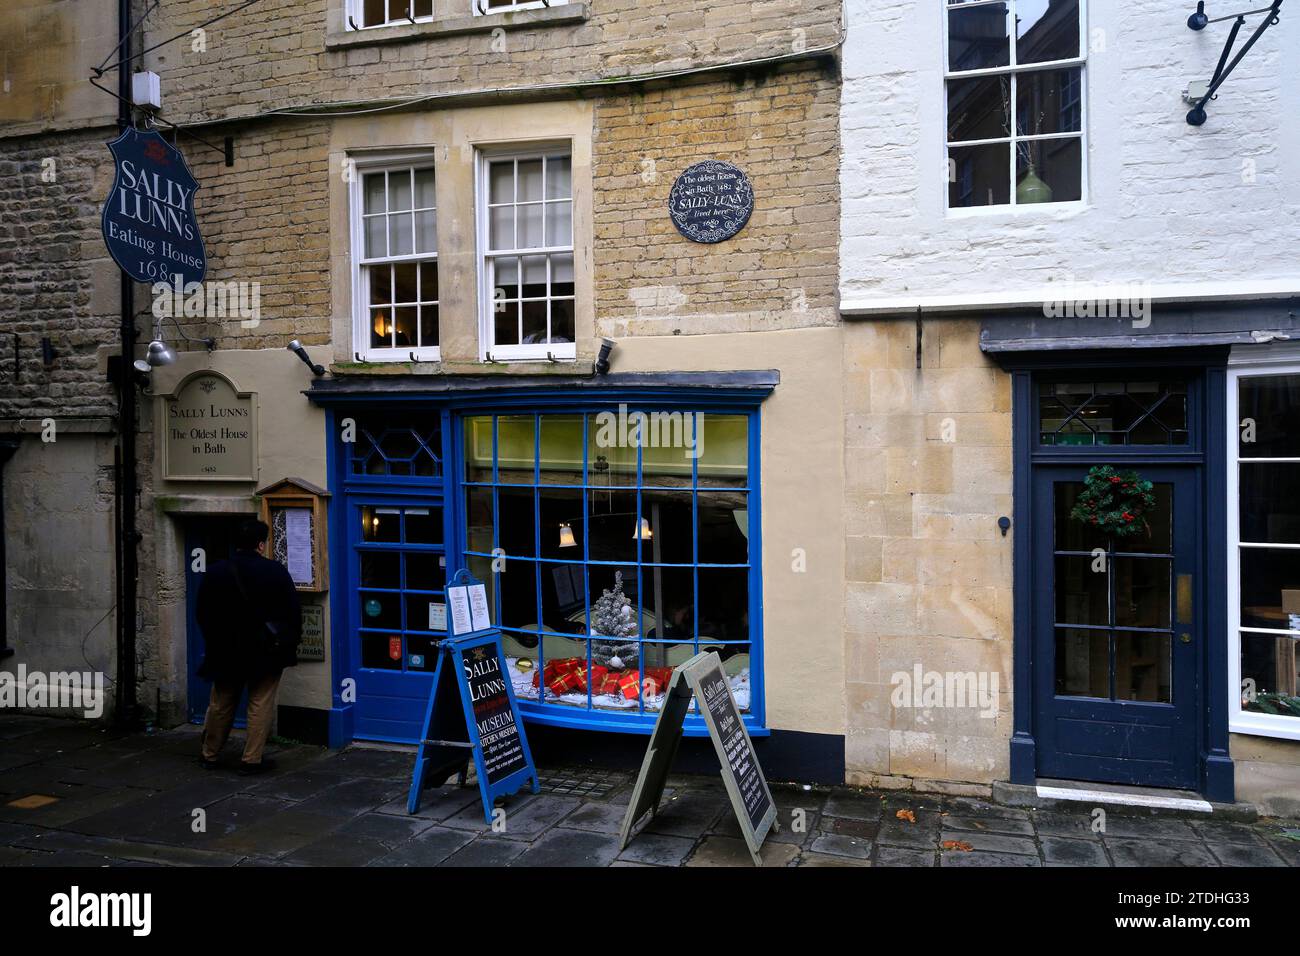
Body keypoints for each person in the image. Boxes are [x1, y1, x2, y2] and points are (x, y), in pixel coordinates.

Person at [196, 518, 302, 774]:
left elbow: (203, 613)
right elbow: (292, 613)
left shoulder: (216, 571)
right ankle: (251, 759)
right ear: (261, 545)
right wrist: (289, 642)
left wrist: (214, 641)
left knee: (221, 703)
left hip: (226, 650)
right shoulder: (275, 571)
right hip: (265, 651)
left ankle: (209, 754)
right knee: (260, 703)